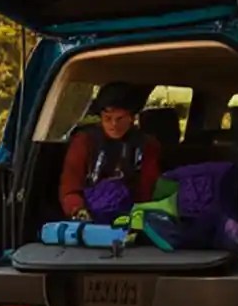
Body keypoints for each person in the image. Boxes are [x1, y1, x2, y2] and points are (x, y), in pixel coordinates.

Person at [59, 82, 162, 222]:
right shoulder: (84, 141)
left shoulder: (146, 145)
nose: (114, 125)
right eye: (107, 118)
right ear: (100, 117)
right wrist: (77, 210)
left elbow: (148, 188)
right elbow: (70, 185)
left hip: (131, 214)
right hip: (87, 213)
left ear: (132, 118)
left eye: (120, 119)